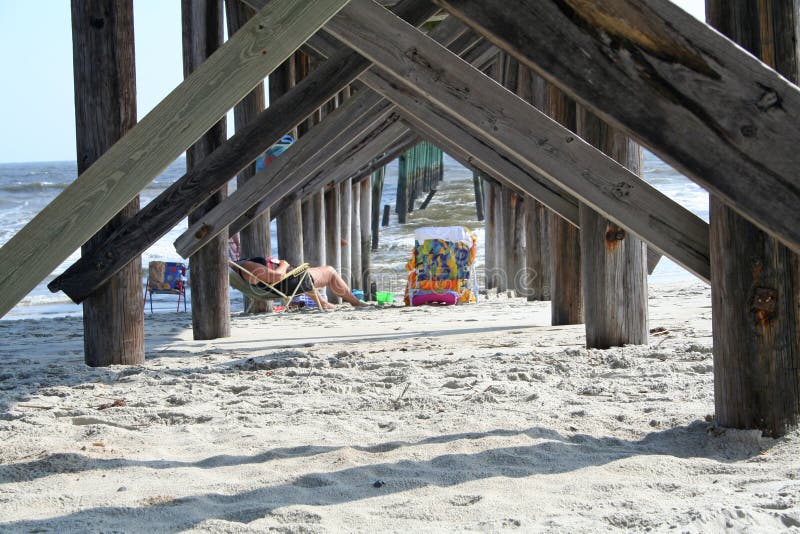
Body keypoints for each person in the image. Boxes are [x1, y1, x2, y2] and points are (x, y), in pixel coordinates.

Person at [233, 257, 369, 309]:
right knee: (330, 271)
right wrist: (284, 264)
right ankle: (355, 302)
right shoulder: (247, 267)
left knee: (304, 277)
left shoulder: (237, 268)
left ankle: (323, 303)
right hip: (287, 284)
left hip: (285, 283)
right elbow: (277, 276)